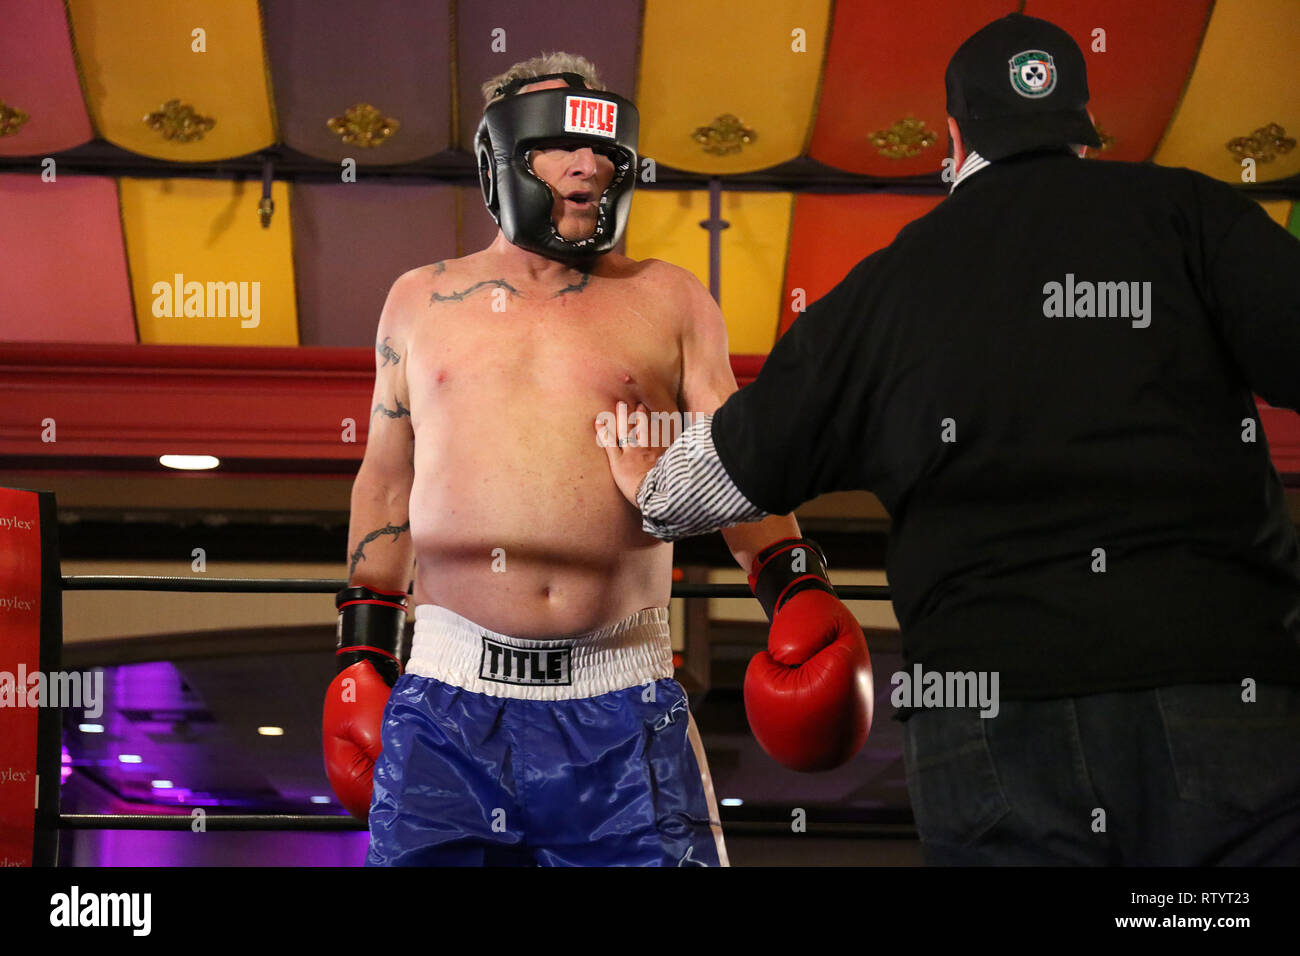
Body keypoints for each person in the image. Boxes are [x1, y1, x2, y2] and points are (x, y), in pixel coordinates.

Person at [600, 13, 1300, 866]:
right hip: (1225, 691)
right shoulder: (1192, 214)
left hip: (994, 710)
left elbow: (725, 477)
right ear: (1083, 124)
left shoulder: (890, 287)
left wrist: (650, 476)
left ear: (954, 139)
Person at [321, 53, 872, 867]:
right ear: (505, 155)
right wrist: (362, 648)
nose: (590, 164)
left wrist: (794, 587)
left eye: (605, 149)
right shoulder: (420, 298)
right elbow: (388, 480)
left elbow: (737, 458)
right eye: (561, 146)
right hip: (448, 697)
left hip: (621, 696)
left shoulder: (672, 297)